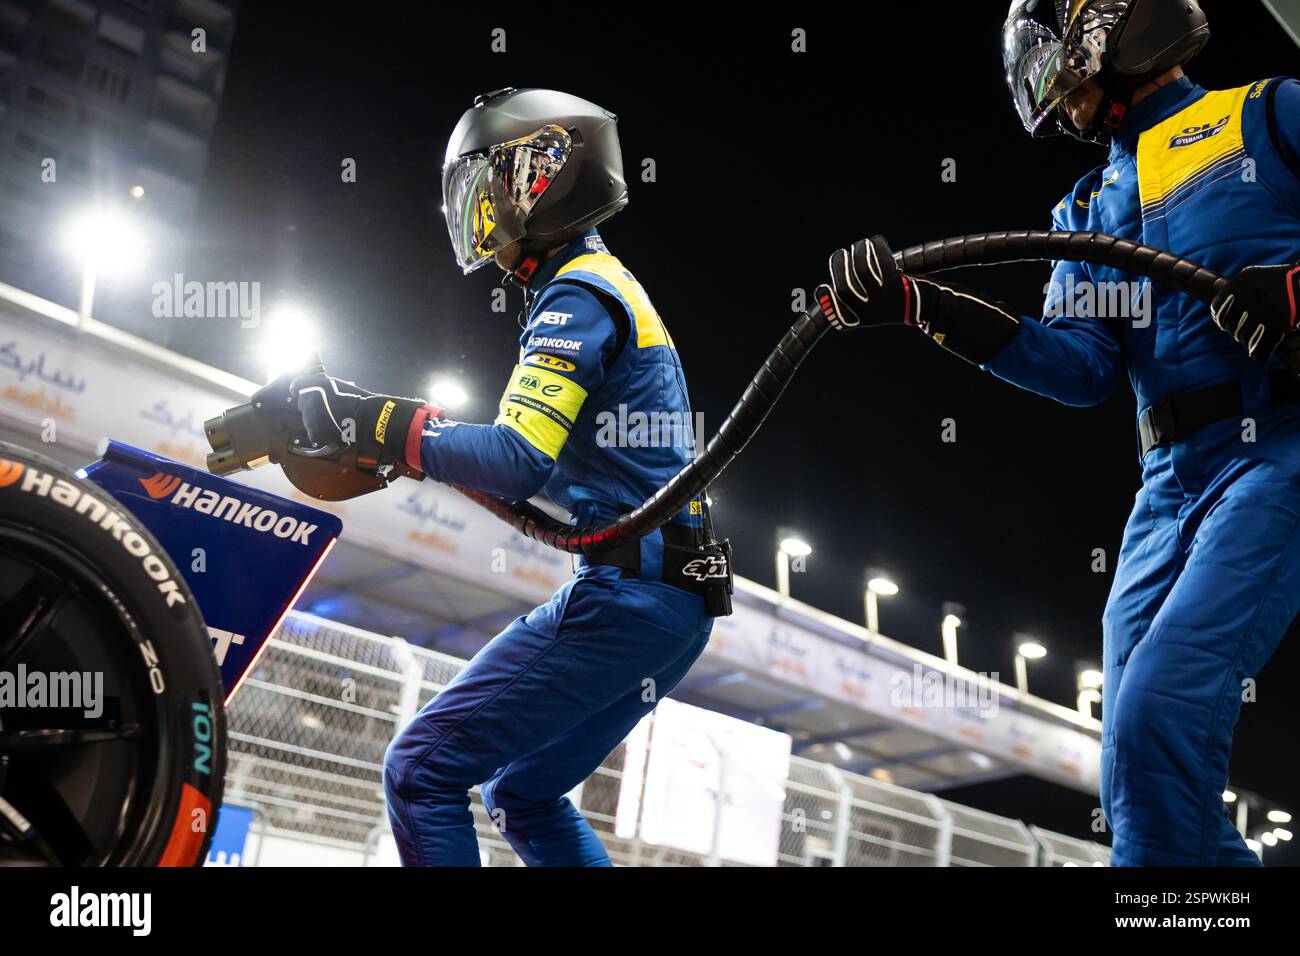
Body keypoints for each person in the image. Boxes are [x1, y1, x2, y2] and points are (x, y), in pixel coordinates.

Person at [815, 0, 1300, 866]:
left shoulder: (1267, 112)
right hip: (1167, 488)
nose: (1043, 83)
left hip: (1279, 451)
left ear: (1108, 25)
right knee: (1133, 758)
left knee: (1159, 711)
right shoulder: (1082, 208)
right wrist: (918, 306)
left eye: (1047, 52)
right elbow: (1079, 369)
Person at [288, 88, 725, 866]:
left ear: (543, 174)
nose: (473, 211)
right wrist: (398, 441)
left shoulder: (577, 293)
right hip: (672, 601)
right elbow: (542, 481)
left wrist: (384, 425)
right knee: (521, 795)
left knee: (420, 772)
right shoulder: (601, 281)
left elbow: (518, 458)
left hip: (632, 596)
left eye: (482, 186)